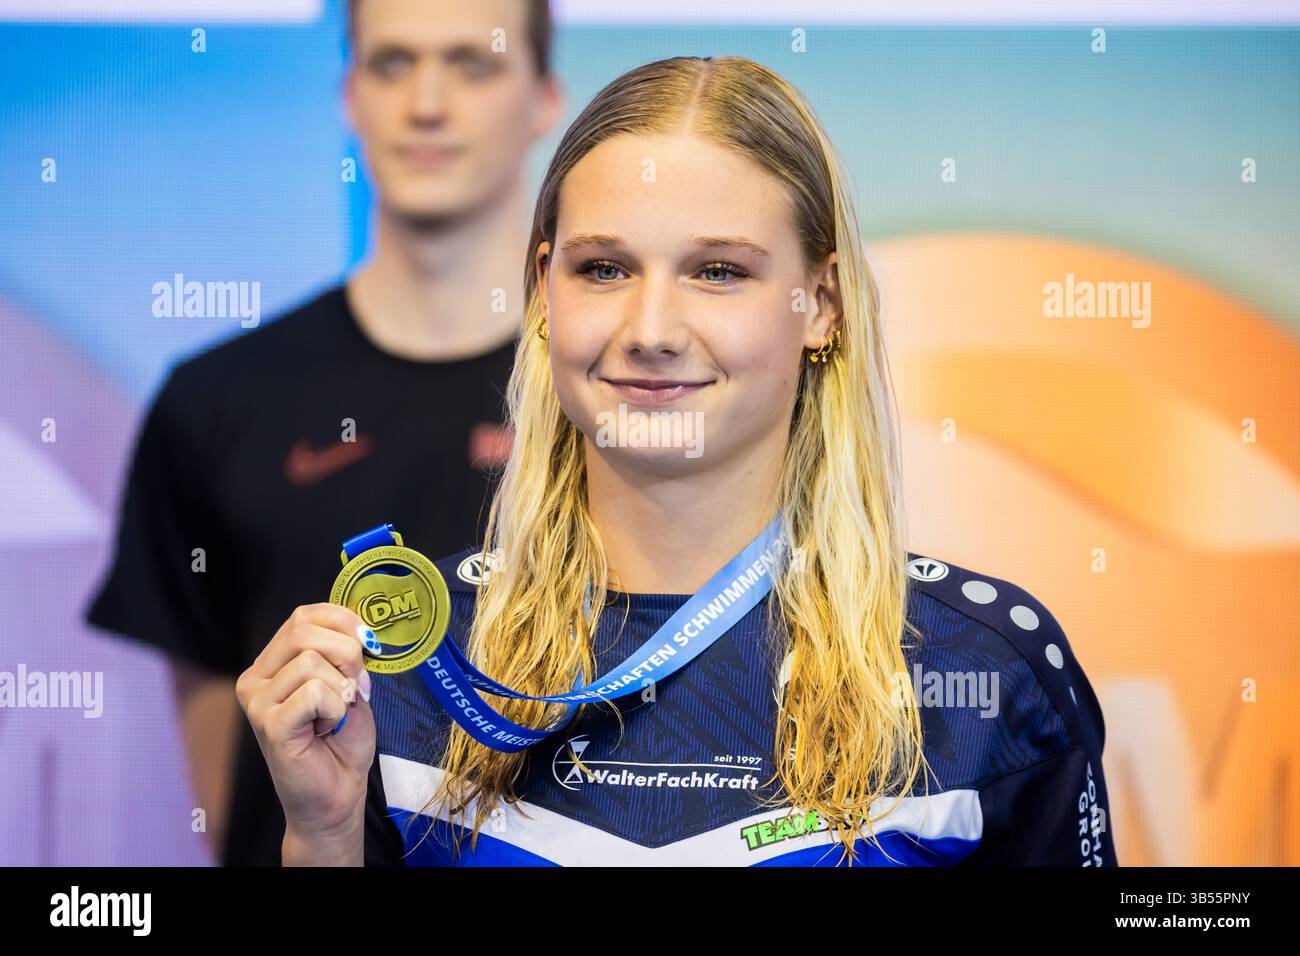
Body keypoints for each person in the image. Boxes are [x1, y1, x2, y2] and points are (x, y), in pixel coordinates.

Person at [237, 54, 1117, 866]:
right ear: (544, 292)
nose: (651, 331)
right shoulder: (408, 657)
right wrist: (322, 834)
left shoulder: (981, 668)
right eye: (605, 269)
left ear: (823, 305)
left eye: (720, 271)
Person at [86, 0, 563, 865]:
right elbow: (226, 768)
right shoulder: (217, 399)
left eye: (472, 63)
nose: (427, 102)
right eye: (392, 64)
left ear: (543, 100)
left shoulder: (605, 397)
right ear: (349, 94)